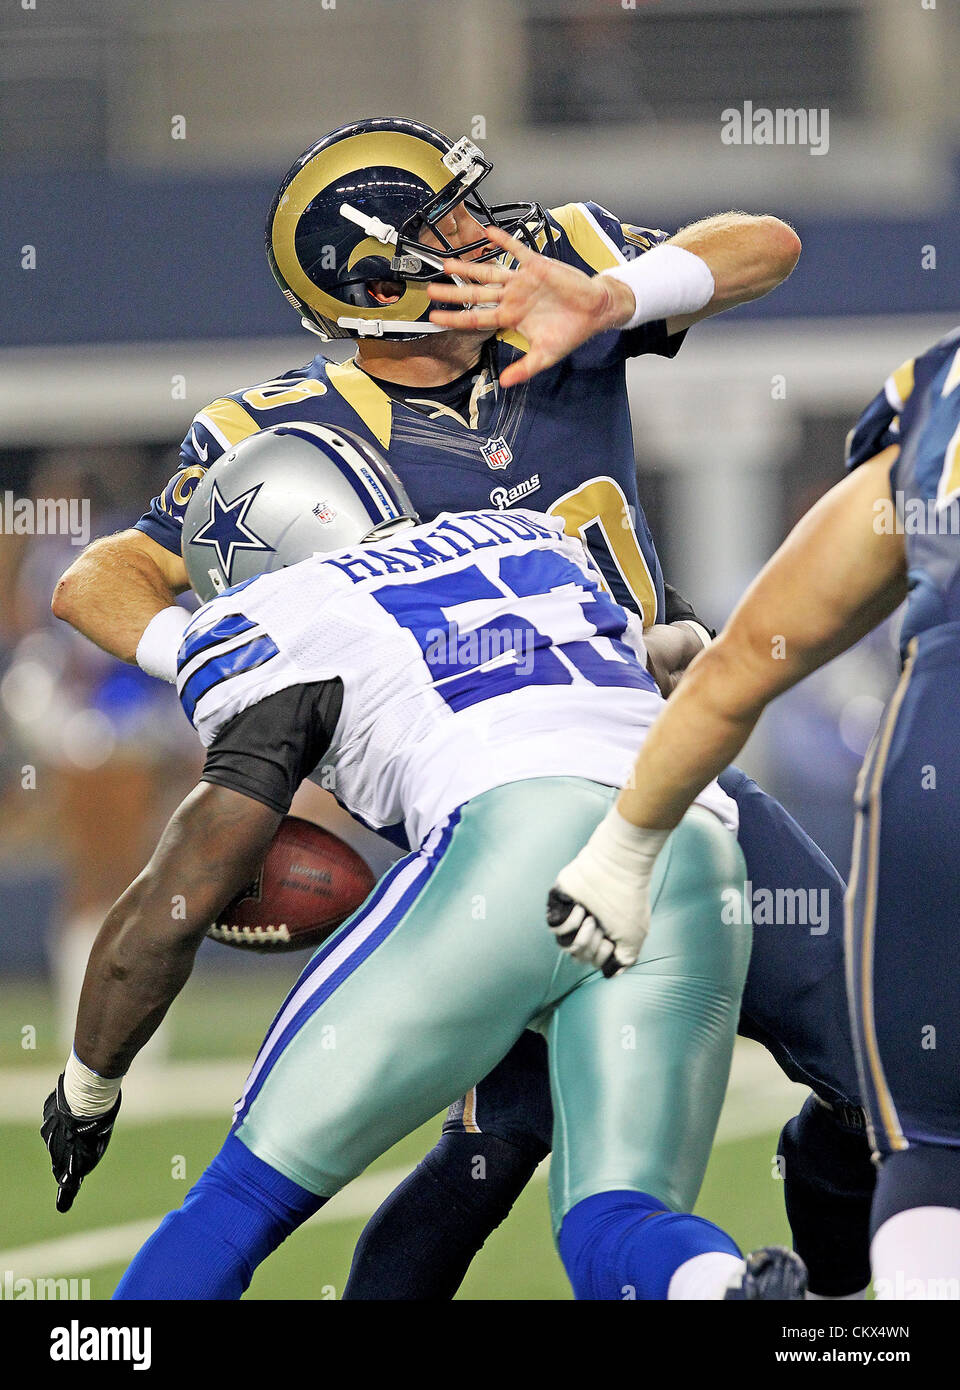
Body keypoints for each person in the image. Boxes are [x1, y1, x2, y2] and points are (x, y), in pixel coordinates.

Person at [51, 118, 873, 1299]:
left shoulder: (553, 274)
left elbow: (766, 243)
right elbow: (100, 577)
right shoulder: (274, 439)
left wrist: (608, 295)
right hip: (508, 807)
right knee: (495, 1160)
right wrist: (228, 658)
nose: (487, 233)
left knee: (885, 1076)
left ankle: (836, 1302)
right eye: (440, 224)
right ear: (378, 283)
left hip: (659, 761)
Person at [42, 423, 805, 1301]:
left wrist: (88, 1089)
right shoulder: (530, 538)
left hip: (518, 839)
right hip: (694, 846)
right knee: (618, 1220)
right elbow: (668, 654)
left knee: (238, 1201)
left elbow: (176, 901)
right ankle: (725, 1288)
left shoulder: (279, 612)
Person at [547, 326, 960, 1299]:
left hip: (935, 757)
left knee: (933, 1145)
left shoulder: (940, 385)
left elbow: (745, 661)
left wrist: (620, 850)